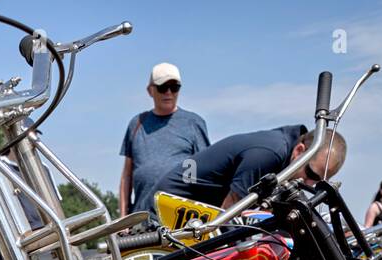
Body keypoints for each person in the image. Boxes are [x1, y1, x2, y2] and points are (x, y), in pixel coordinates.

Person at [152, 125, 347, 210]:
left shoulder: (286, 160)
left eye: (318, 182)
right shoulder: (269, 154)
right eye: (311, 173)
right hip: (170, 204)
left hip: (194, 208)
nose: (309, 183)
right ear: (299, 150)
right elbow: (230, 215)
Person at [118, 63, 210, 215]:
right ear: (150, 90)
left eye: (174, 87)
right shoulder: (137, 123)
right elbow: (126, 176)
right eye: (162, 87)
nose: (168, 93)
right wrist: (123, 219)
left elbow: (205, 172)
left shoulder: (194, 123)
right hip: (142, 218)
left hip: (181, 218)